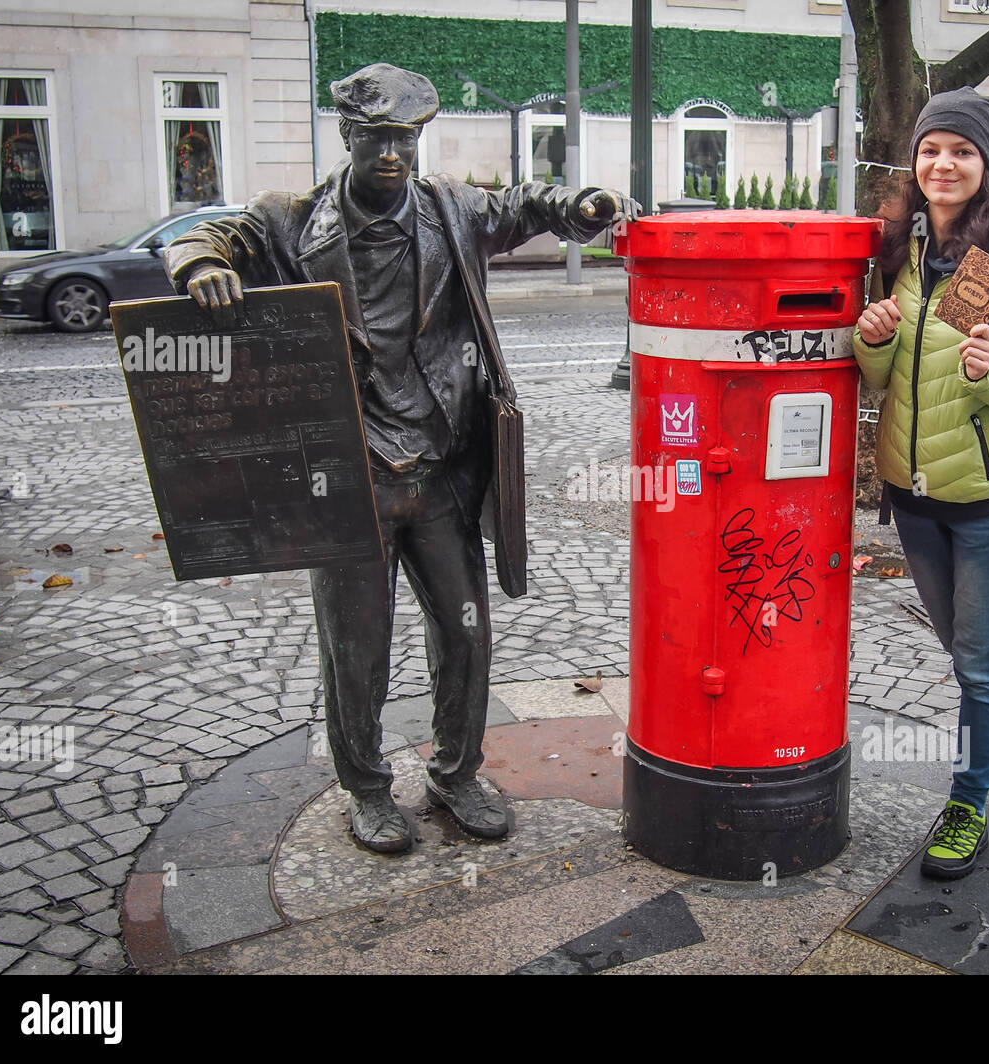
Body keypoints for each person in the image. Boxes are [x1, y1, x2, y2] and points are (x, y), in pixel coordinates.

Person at [164, 64, 638, 854]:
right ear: (349, 138)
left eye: (406, 139)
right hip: (347, 479)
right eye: (378, 138)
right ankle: (365, 788)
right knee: (358, 646)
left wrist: (580, 206)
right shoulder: (290, 223)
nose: (393, 153)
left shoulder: (450, 210)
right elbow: (205, 236)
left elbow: (528, 204)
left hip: (442, 469)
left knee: (466, 633)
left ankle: (455, 774)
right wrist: (202, 268)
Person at [852, 87, 989, 879]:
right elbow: (886, 381)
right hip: (912, 496)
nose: (943, 164)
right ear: (915, 160)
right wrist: (871, 337)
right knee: (967, 651)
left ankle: (967, 803)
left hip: (988, 498)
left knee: (978, 662)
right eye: (931, 150)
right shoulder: (899, 249)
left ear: (986, 166)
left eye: (962, 151)